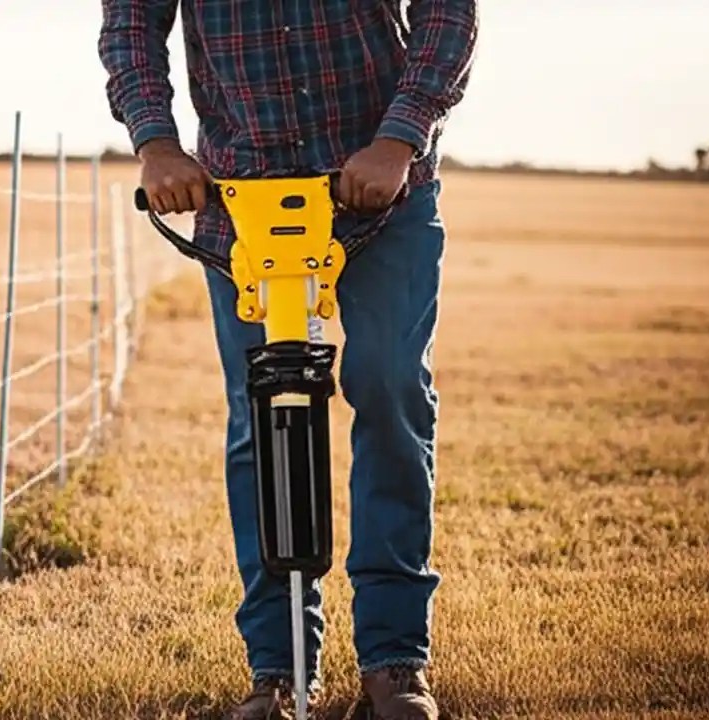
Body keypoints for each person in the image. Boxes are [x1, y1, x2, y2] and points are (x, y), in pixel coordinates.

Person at [98, 1, 478, 718]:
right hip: (243, 196)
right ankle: (277, 669)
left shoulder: (390, 159)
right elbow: (130, 24)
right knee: (263, 417)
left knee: (391, 390)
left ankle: (395, 664)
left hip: (379, 186)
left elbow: (446, 11)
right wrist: (155, 142)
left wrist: (400, 137)